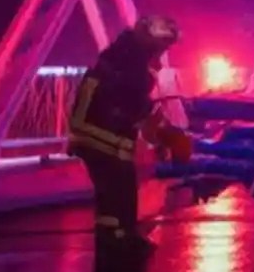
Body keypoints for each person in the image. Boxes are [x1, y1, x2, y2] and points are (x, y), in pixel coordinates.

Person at [68, 15, 185, 258]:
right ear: (152, 40)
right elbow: (136, 106)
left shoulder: (125, 55)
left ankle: (114, 240)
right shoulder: (132, 63)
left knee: (114, 189)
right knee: (119, 186)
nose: (164, 51)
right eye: (164, 44)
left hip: (94, 131)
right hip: (101, 133)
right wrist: (166, 136)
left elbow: (134, 106)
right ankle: (121, 242)